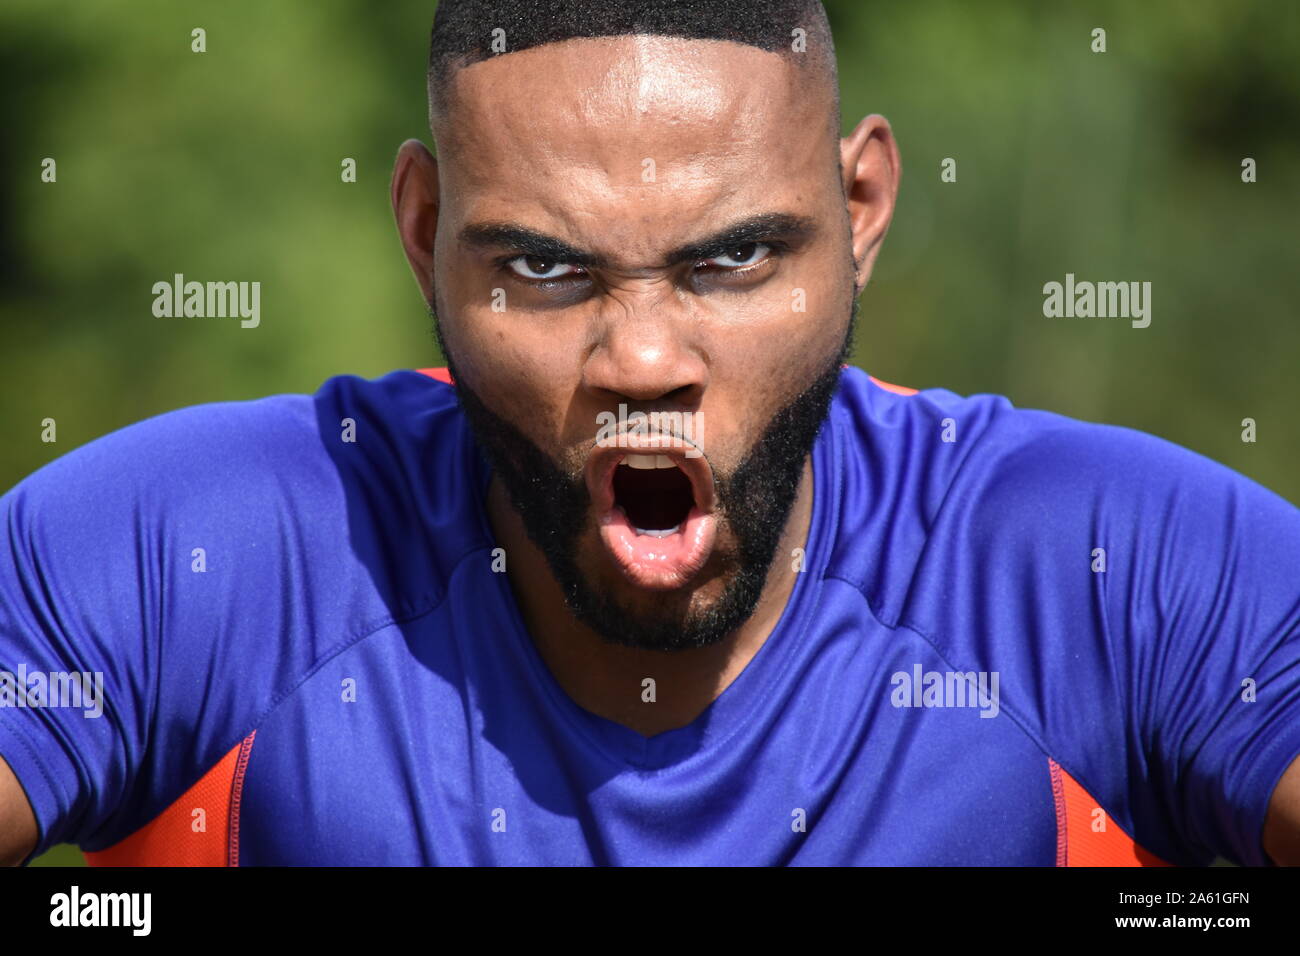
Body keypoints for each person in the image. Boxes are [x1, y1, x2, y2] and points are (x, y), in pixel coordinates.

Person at [1, 0, 1297, 866]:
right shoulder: (206, 550)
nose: (646, 362)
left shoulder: (1104, 565)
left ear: (859, 210)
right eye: (548, 271)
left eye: (733, 258)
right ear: (421, 232)